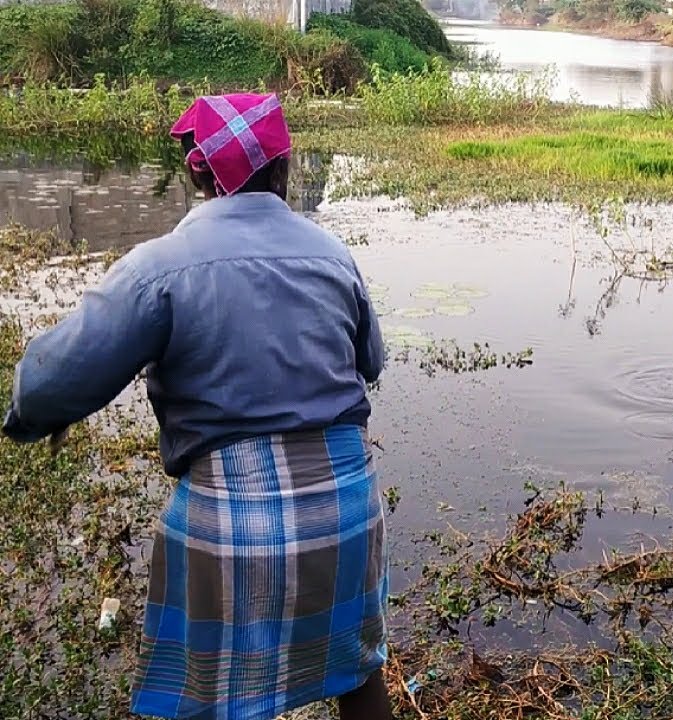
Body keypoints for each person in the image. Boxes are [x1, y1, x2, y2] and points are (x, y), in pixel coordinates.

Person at [2, 93, 392, 720]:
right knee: (358, 668)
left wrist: (27, 415)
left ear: (195, 172)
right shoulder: (333, 255)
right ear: (283, 166)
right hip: (346, 509)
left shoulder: (160, 267)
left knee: (218, 696)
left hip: (233, 522)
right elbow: (369, 361)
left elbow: (50, 382)